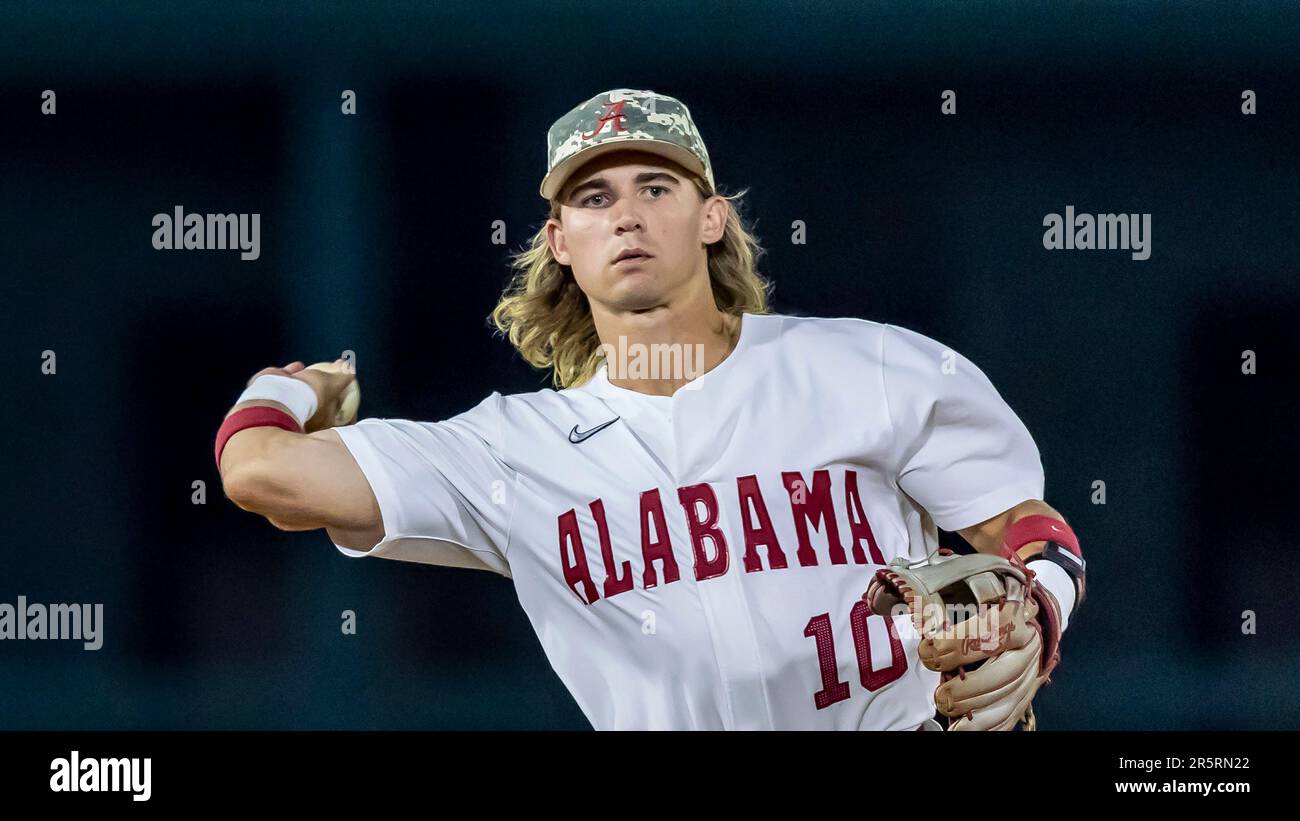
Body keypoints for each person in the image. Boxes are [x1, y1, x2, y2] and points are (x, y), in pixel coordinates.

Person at [214, 88, 1086, 730]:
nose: (625, 213)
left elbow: (1021, 521)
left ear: (712, 218)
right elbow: (257, 472)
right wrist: (294, 386)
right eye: (593, 198)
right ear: (560, 243)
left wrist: (1041, 602)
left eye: (654, 187)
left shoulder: (870, 366)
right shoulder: (513, 452)